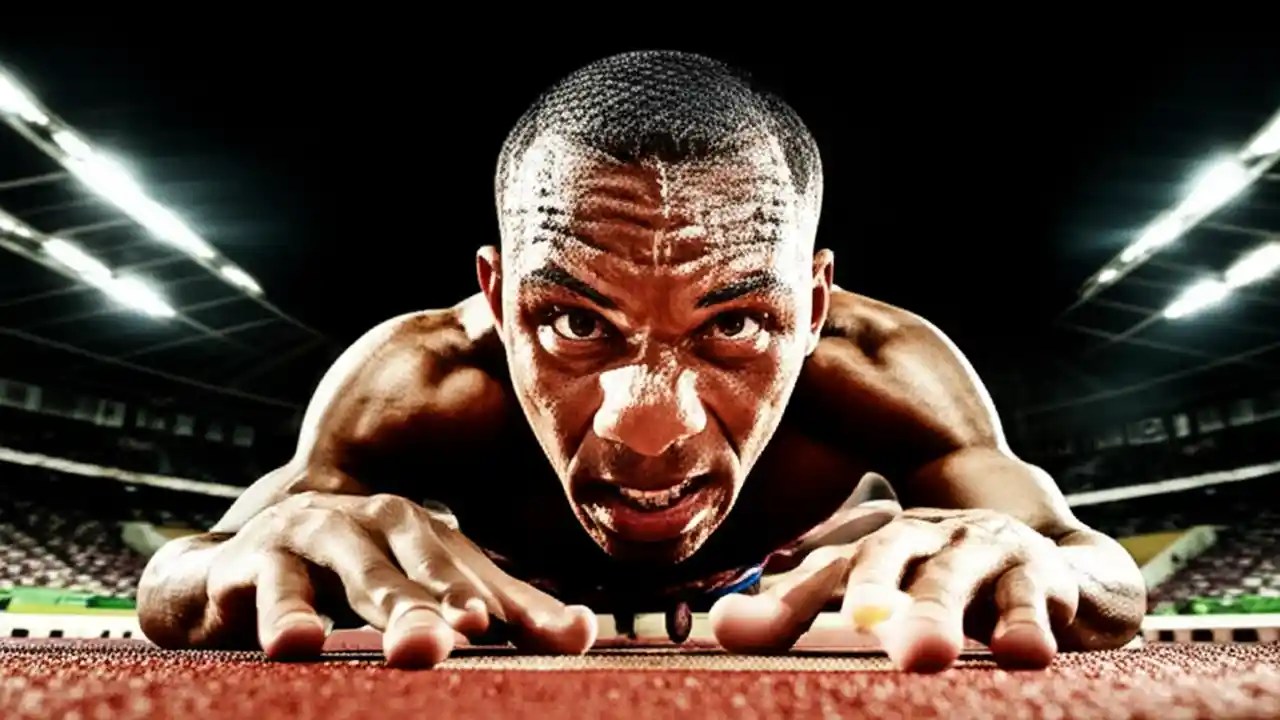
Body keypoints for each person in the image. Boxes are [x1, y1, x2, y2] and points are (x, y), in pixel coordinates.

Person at [136, 50, 1146, 672]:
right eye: (574, 324)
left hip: (760, 574)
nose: (646, 431)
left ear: (814, 305)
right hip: (512, 583)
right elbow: (188, 572)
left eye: (735, 324)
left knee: (888, 536)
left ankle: (840, 541)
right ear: (494, 298)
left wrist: (1034, 562)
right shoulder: (419, 381)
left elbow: (1090, 567)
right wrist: (235, 559)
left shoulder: (884, 367)